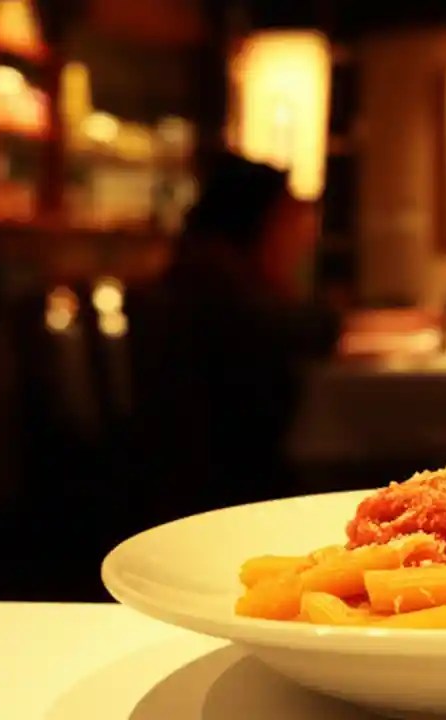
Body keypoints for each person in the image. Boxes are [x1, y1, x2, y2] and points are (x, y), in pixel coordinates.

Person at [125, 153, 340, 526]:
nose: (302, 234)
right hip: (227, 489)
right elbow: (308, 329)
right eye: (287, 218)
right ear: (254, 219)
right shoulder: (215, 282)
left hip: (203, 474)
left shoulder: (201, 272)